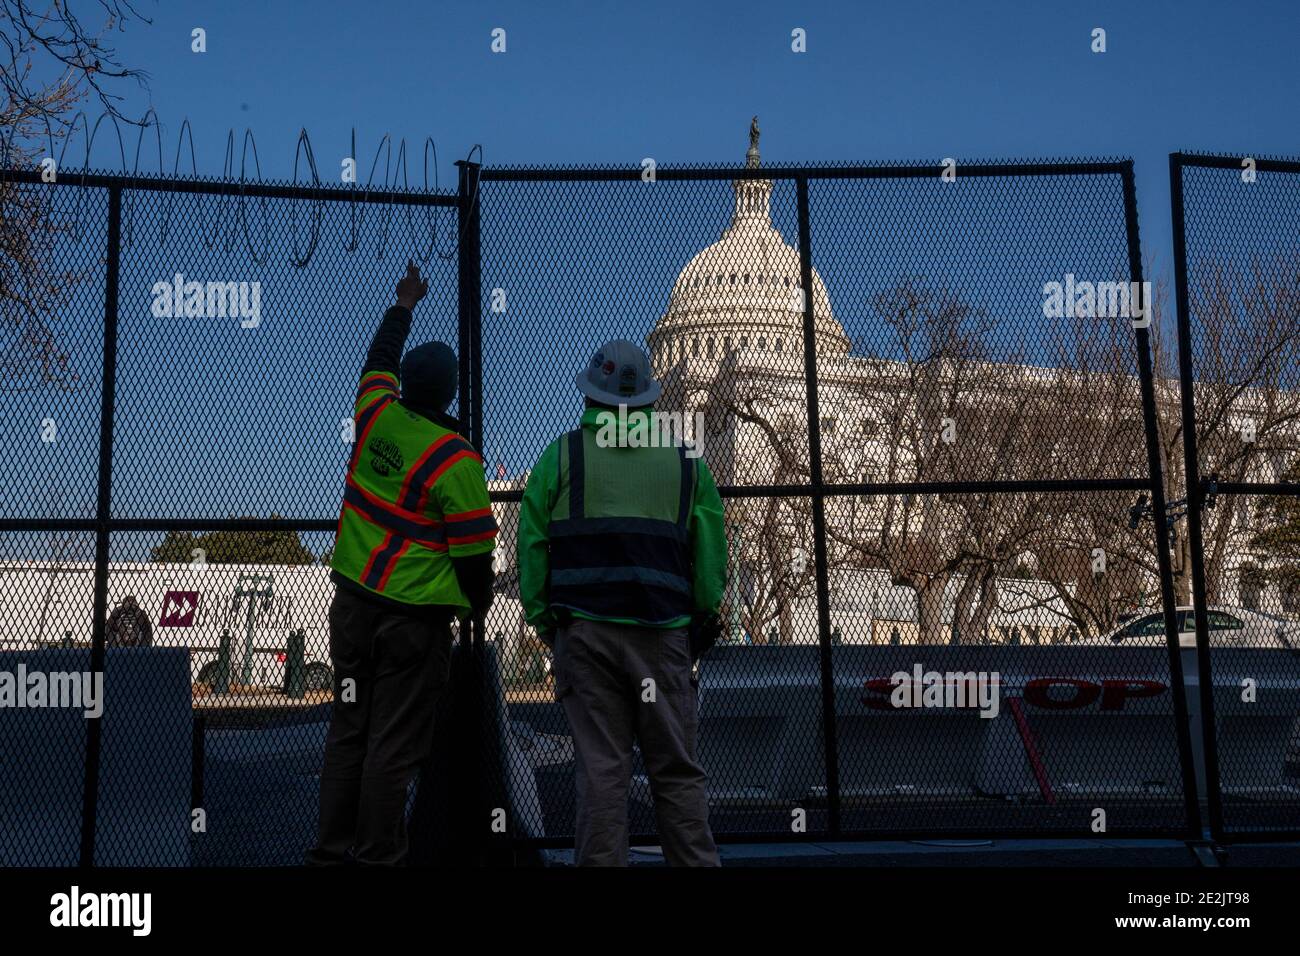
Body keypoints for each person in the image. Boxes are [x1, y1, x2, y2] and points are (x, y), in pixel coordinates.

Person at [307, 261, 497, 866]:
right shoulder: (455, 460)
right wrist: (477, 608)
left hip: (353, 607)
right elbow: (474, 560)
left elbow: (379, 358)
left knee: (348, 732)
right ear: (451, 393)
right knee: (391, 746)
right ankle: (376, 859)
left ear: (402, 384)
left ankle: (330, 853)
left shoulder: (373, 415)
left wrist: (404, 303)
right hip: (412, 624)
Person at [517, 339, 727, 866]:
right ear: (651, 401)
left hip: (585, 636)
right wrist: (702, 615)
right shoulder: (688, 465)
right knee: (676, 773)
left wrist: (546, 620)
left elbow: (532, 546)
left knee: (602, 776)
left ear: (591, 395)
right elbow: (710, 555)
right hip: (665, 634)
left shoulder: (560, 457)